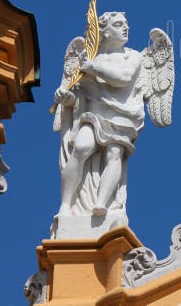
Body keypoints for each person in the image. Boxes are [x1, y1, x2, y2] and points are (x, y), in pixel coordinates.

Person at [54, 12, 144, 217]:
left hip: (122, 116)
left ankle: (101, 204)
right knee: (81, 148)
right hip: (93, 114)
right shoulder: (89, 57)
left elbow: (124, 77)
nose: (126, 28)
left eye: (126, 24)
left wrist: (93, 68)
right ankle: (66, 205)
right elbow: (78, 95)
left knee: (114, 154)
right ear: (105, 31)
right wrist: (65, 97)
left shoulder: (132, 56)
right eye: (119, 24)